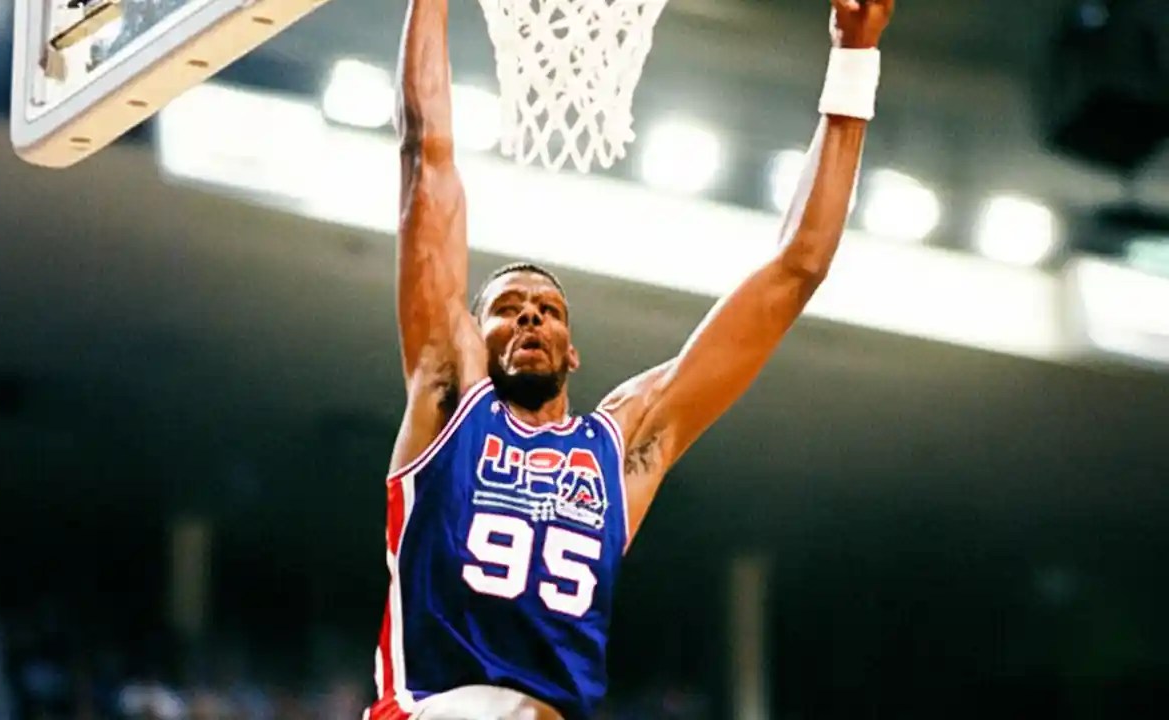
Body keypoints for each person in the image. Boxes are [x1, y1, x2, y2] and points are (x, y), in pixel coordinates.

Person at [368, 1, 896, 718]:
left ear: (573, 351)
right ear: (470, 334)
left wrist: (854, 60)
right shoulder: (449, 398)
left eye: (549, 310)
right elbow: (425, 153)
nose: (530, 313)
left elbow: (796, 268)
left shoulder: (620, 448)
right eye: (507, 307)